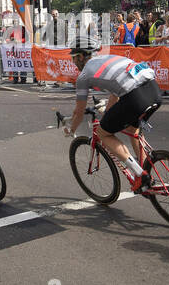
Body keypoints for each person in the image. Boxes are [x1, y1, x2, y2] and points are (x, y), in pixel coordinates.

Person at [64, 39, 162, 192]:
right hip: (154, 91)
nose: (73, 62)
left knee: (103, 133)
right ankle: (145, 173)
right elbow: (115, 93)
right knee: (132, 129)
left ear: (81, 57)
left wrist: (71, 129)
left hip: (135, 97)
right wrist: (108, 113)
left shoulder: (83, 76)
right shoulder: (110, 59)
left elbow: (79, 112)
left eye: (74, 58)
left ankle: (140, 175)